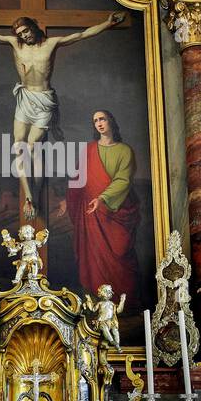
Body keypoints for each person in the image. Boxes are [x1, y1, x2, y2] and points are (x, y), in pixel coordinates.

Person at [0, 9, 123, 220]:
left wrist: (107, 23)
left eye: (26, 31)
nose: (24, 36)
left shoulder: (51, 44)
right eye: (20, 34)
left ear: (34, 27)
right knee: (19, 147)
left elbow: (81, 35)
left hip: (44, 100)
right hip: (25, 99)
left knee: (30, 145)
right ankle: (29, 196)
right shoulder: (15, 44)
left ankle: (35, 193)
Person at [66, 109, 141, 310]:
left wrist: (102, 198)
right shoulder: (88, 150)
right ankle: (95, 306)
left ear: (111, 121)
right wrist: (68, 201)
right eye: (95, 121)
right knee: (92, 259)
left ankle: (124, 306)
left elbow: (123, 180)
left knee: (120, 255)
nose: (99, 123)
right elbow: (77, 180)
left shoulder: (125, 151)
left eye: (102, 119)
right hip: (90, 213)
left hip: (115, 214)